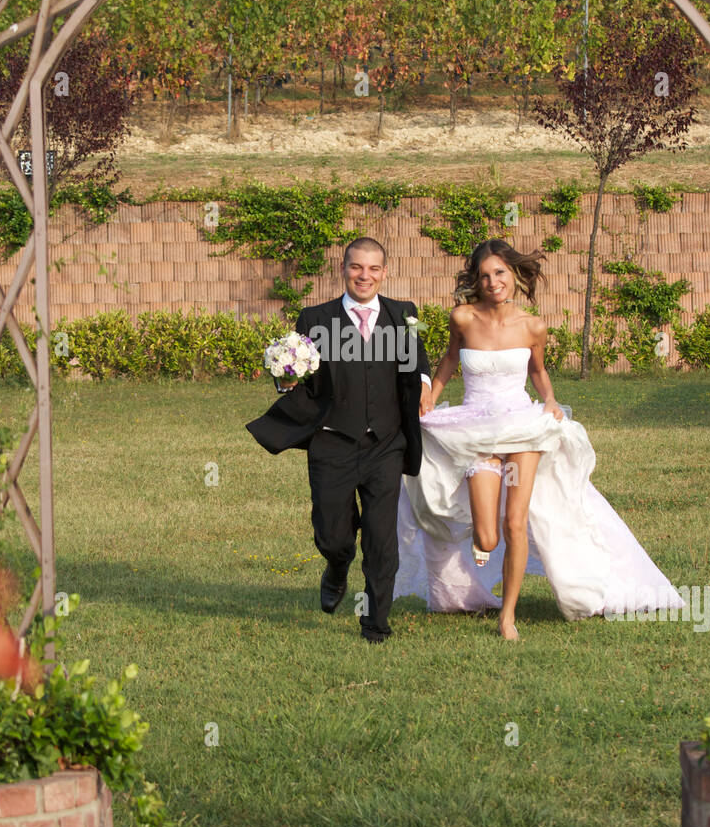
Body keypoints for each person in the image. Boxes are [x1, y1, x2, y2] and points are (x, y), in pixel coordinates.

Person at [394, 238, 682, 640]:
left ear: (513, 275)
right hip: (475, 431)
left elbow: (538, 372)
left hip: (522, 428)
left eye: (500, 273)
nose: (494, 281)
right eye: (485, 275)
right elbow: (447, 361)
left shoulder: (533, 326)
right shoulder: (462, 318)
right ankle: (476, 560)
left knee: (515, 522)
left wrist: (549, 400)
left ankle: (507, 618)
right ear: (476, 281)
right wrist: (430, 397)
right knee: (487, 536)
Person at [246, 237, 431, 643]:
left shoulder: (404, 315)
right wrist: (286, 378)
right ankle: (337, 564)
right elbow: (299, 377)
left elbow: (415, 362)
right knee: (333, 534)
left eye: (374, 268)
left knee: (382, 539)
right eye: (356, 267)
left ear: (385, 272)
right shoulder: (314, 318)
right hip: (332, 442)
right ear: (342, 268)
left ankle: (376, 624)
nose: (365, 276)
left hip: (386, 444)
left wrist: (424, 383)